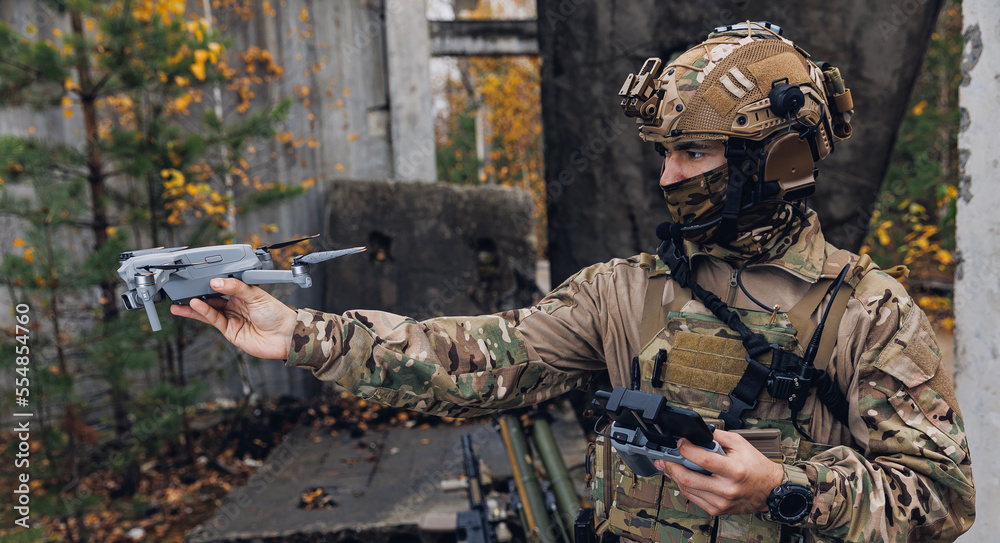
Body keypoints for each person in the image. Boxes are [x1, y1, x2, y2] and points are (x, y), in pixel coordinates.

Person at [171, 22, 975, 543]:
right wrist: (301, 334)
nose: (667, 176)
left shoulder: (868, 311)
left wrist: (784, 487)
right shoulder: (624, 293)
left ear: (776, 160)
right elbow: (474, 358)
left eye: (692, 152)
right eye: (663, 152)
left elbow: (941, 496)